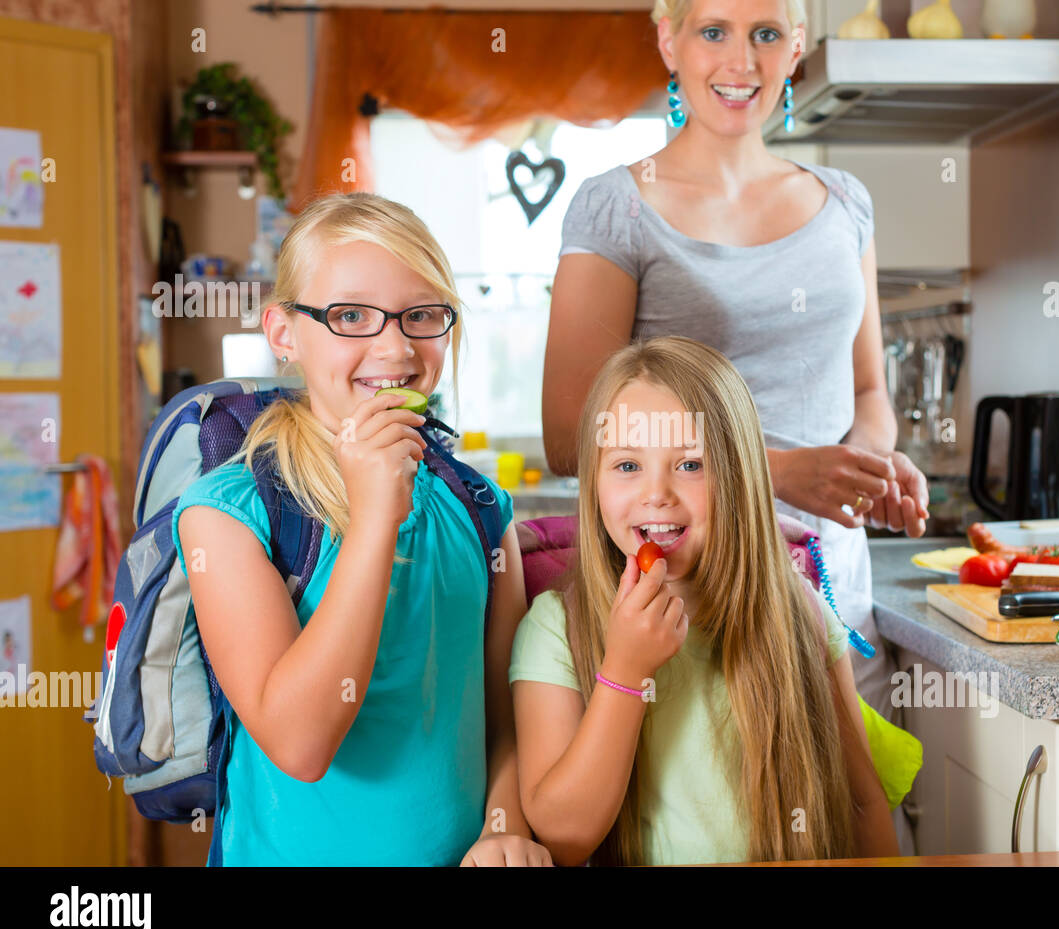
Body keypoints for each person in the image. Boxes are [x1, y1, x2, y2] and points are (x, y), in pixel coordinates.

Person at [542, 0, 930, 742]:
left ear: (796, 47)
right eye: (712, 31)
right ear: (668, 40)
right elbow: (570, 436)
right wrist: (775, 472)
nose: (740, 61)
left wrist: (871, 468)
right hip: (693, 584)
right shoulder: (616, 207)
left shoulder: (846, 202)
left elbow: (868, 392)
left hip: (836, 582)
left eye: (766, 34)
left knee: (856, 820)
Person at [173, 193, 550, 866]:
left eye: (423, 315)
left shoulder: (481, 506)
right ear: (284, 332)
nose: (396, 346)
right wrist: (375, 520)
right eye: (350, 315)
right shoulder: (227, 511)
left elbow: (505, 715)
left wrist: (501, 826)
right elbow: (300, 744)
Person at [512, 336, 899, 865]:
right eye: (627, 466)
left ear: (738, 477)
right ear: (593, 483)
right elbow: (565, 835)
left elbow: (861, 802)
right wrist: (625, 669)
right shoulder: (555, 627)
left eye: (690, 465)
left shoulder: (798, 610)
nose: (657, 493)